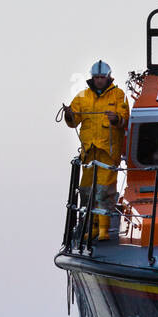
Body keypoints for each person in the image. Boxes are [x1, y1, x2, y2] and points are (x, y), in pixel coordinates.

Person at [60, 61, 130, 241]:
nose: (99, 81)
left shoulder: (119, 95)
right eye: (96, 78)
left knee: (104, 190)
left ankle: (104, 229)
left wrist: (116, 119)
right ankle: (91, 227)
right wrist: (69, 114)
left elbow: (125, 120)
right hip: (89, 152)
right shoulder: (82, 97)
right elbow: (73, 121)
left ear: (108, 77)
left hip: (108, 152)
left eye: (102, 78)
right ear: (92, 78)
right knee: (86, 191)